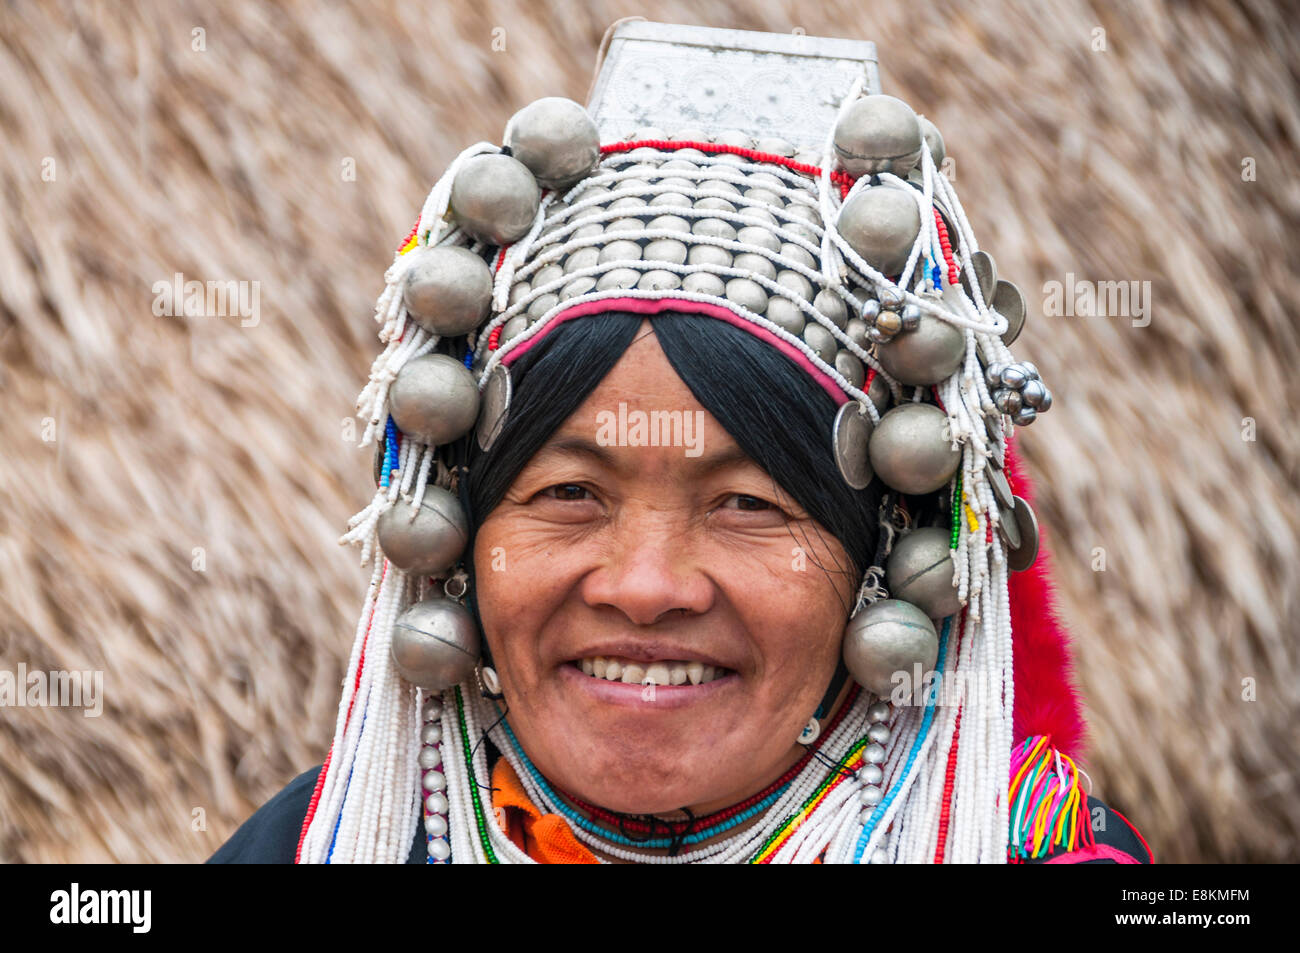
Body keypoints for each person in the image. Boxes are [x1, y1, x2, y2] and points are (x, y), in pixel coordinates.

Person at [209, 30, 1151, 864]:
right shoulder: (328, 842)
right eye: (571, 492)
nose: (647, 584)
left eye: (746, 503)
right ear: (458, 536)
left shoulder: (1039, 854)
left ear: (883, 555)